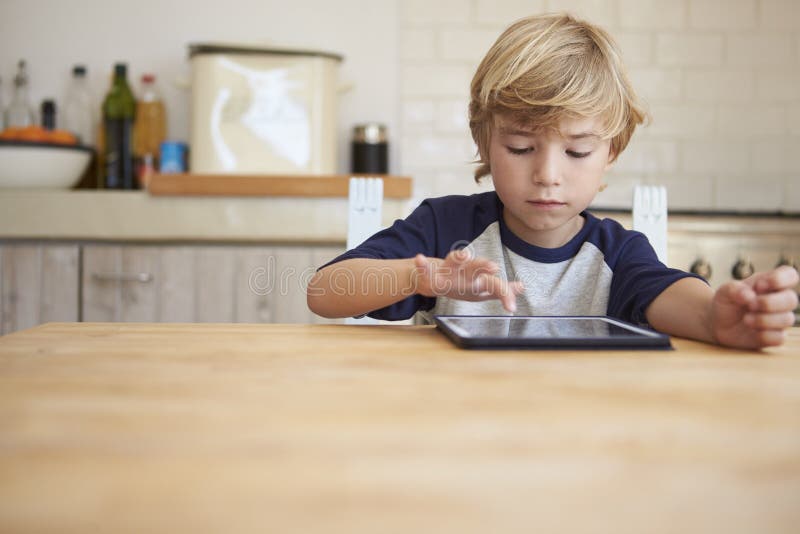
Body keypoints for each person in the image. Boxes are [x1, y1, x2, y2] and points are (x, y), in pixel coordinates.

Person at [308, 13, 798, 349]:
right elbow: (324, 291)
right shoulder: (447, 226)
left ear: (611, 153)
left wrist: (719, 317)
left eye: (577, 151)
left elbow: (679, 302)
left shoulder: (618, 254)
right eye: (520, 148)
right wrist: (423, 275)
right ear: (484, 141)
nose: (546, 174)